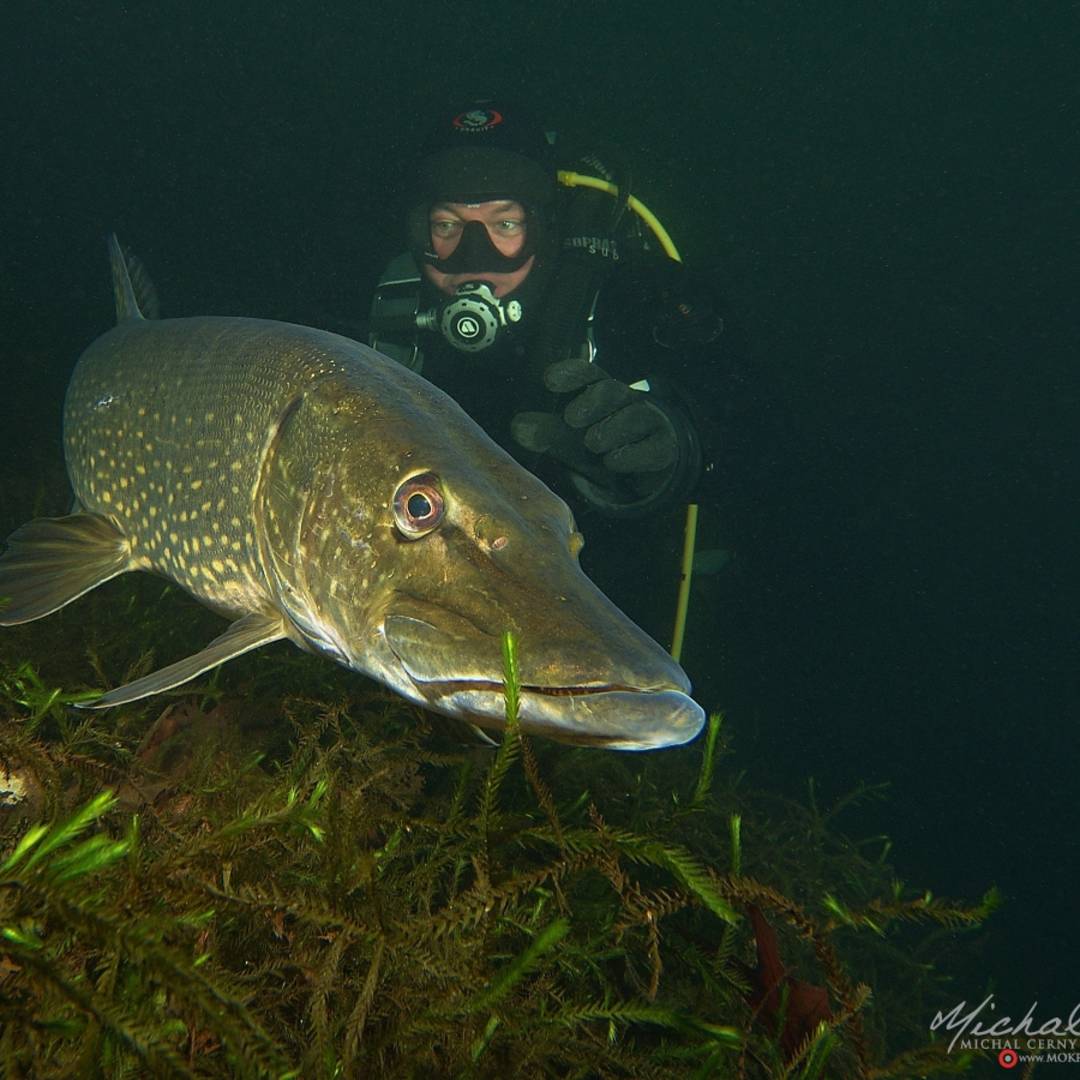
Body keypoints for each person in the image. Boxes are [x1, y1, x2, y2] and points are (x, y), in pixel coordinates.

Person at [367, 99, 765, 644]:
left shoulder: (638, 300)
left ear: (544, 227)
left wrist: (680, 450)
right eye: (447, 225)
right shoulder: (386, 311)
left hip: (623, 620)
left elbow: (770, 452)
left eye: (505, 223)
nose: (472, 255)